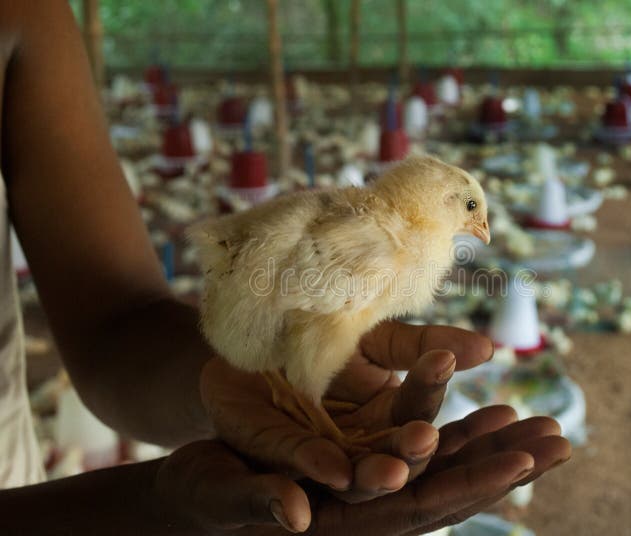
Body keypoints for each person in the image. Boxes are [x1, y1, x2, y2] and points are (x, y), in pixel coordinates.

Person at [0, 2, 571, 534]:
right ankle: (322, 426)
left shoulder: (28, 18)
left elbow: (117, 319)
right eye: (471, 209)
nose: (480, 225)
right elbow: (281, 292)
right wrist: (151, 510)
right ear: (438, 201)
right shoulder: (382, 246)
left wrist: (222, 393)